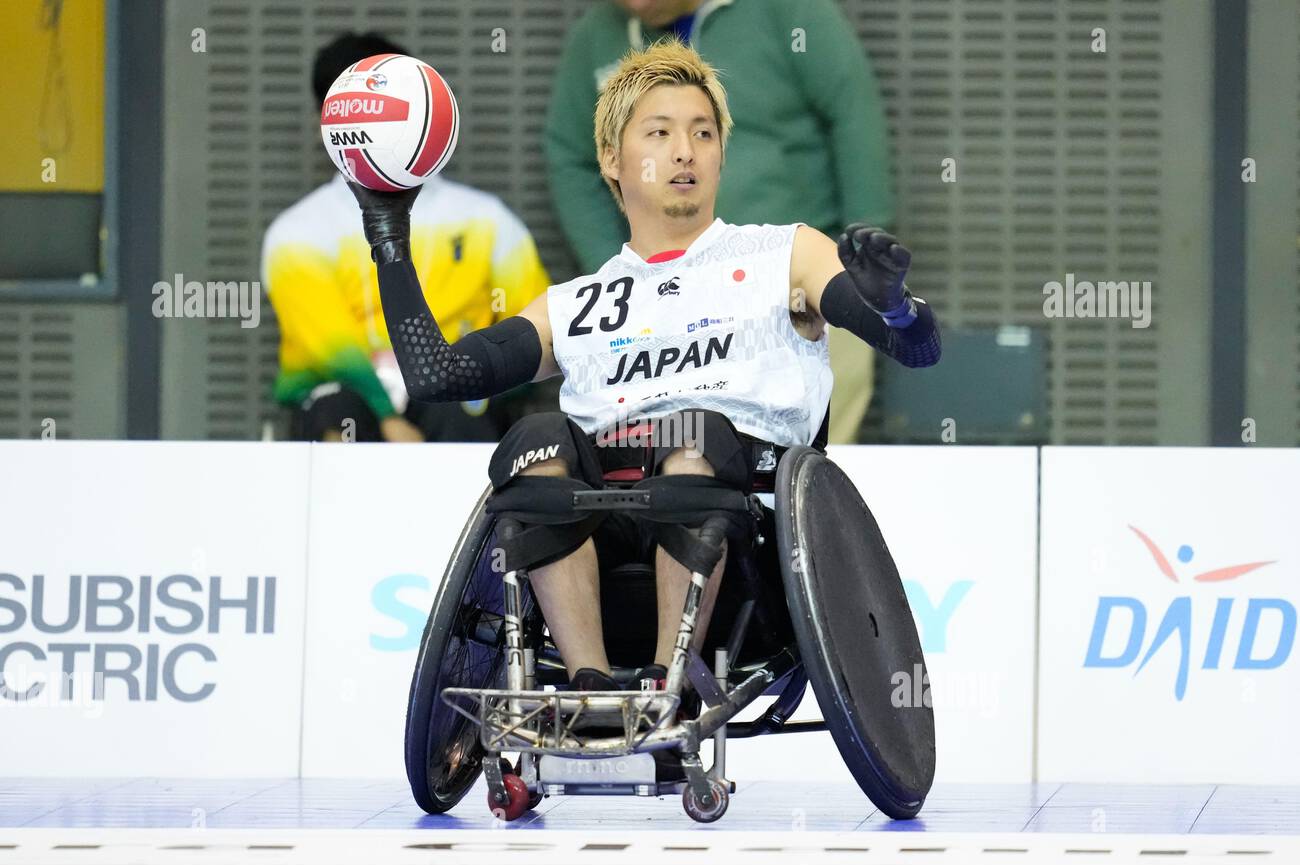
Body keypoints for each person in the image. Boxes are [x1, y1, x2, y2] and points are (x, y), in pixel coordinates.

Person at [347, 40, 939, 771]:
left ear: (723, 156)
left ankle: (669, 687)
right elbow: (438, 374)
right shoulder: (578, 305)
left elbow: (911, 347)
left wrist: (897, 309)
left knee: (689, 436)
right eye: (658, 132)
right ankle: (591, 689)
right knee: (534, 437)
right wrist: (388, 231)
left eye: (703, 132)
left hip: (740, 544)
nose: (685, 150)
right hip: (597, 535)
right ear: (611, 159)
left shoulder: (784, 254)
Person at [545, 0, 895, 443]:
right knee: (675, 457)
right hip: (665, 297)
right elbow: (570, 157)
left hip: (796, 285)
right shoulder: (596, 34)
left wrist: (860, 253)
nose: (633, 4)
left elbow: (852, 110)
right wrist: (622, 277)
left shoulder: (787, 11)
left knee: (811, 465)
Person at [263, 32, 550, 443]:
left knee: (461, 406)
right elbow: (329, 347)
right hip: (347, 400)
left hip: (454, 387)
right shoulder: (295, 233)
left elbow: (534, 329)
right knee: (337, 415)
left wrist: (471, 373)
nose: (373, 124)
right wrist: (387, 417)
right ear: (326, 122)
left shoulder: (487, 219)